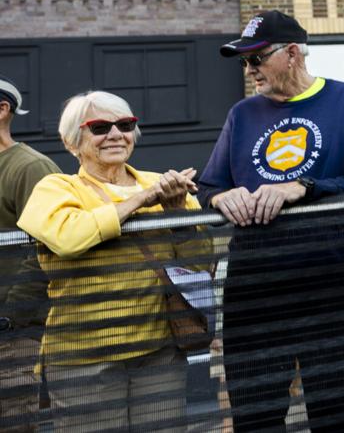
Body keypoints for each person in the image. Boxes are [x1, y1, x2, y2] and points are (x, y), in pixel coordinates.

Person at [196, 10, 344, 433]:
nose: (249, 70)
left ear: (293, 53)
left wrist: (303, 186)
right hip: (254, 280)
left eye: (256, 59)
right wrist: (222, 196)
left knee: (331, 405)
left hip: (327, 277)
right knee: (254, 410)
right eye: (244, 62)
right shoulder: (242, 114)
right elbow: (208, 185)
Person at [16, 91, 205, 432]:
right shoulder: (56, 188)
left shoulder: (163, 185)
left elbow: (199, 265)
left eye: (125, 125)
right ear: (71, 142)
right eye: (100, 127)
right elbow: (68, 238)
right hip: (83, 360)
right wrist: (141, 199)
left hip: (159, 353)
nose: (116, 134)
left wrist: (178, 214)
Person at [0, 78, 59, 432]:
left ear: (2, 109)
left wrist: (11, 316)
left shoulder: (31, 167)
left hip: (13, 337)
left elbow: (48, 245)